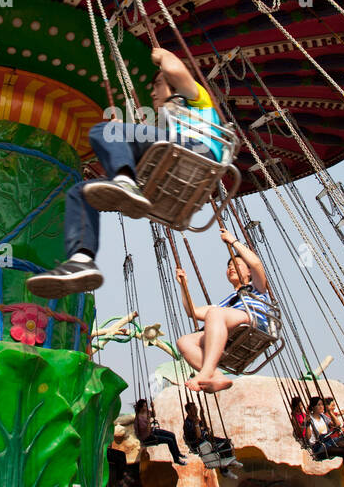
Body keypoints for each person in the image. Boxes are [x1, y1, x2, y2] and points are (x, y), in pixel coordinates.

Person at [27, 46, 225, 298]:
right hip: (169, 172)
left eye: (158, 85)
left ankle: (124, 181)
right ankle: (81, 259)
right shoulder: (170, 125)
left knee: (103, 130)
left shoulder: (197, 100)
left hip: (195, 153)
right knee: (80, 191)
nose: (152, 92)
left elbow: (175, 69)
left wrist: (162, 55)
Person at [168, 231, 269, 394]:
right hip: (229, 324)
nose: (230, 268)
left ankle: (205, 373)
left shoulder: (256, 287)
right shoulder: (225, 303)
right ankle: (217, 376)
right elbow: (192, 312)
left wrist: (233, 241)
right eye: (228, 266)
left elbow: (256, 264)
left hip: (253, 321)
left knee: (214, 314)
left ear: (249, 272)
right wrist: (183, 285)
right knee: (184, 341)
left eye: (236, 265)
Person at [182, 401, 238, 474]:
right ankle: (225, 469)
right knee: (218, 445)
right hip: (199, 443)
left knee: (226, 442)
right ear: (189, 411)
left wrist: (202, 416)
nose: (196, 410)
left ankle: (227, 466)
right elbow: (198, 436)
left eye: (196, 408)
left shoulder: (196, 419)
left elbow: (204, 427)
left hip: (205, 438)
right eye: (194, 409)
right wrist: (196, 424)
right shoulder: (188, 423)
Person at [133, 398, 186, 465]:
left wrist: (153, 407)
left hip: (151, 432)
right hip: (147, 438)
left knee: (172, 435)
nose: (146, 407)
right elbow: (147, 431)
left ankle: (178, 453)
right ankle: (176, 459)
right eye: (145, 406)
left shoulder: (146, 412)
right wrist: (149, 419)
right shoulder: (139, 419)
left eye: (146, 405)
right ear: (141, 408)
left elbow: (154, 415)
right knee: (169, 440)